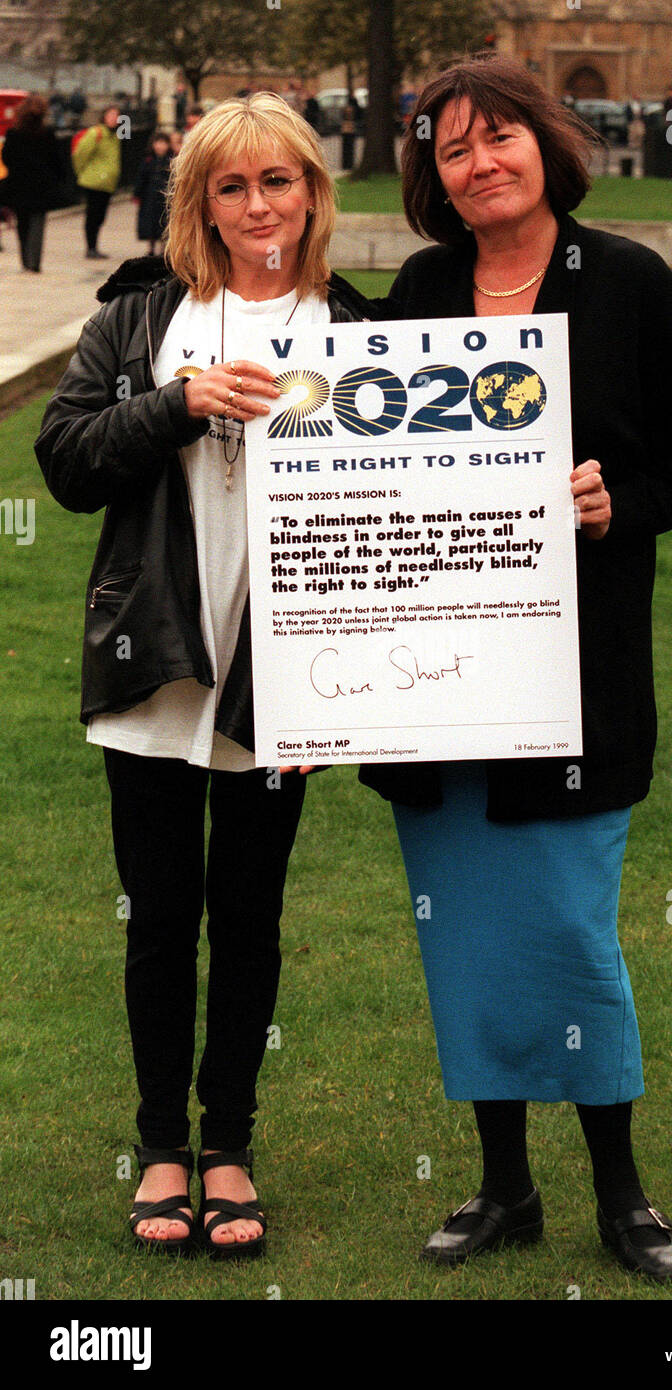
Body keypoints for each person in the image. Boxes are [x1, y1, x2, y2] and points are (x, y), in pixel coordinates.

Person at [359, 54, 672, 1282]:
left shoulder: (625, 281)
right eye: (451, 149)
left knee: (571, 934)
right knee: (465, 939)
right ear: (435, 177)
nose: (479, 163)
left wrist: (610, 503)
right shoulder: (417, 289)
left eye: (497, 138)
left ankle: (622, 1195)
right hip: (436, 675)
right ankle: (503, 1188)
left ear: (544, 143)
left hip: (573, 674)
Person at [35, 92, 376, 1259]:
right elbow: (67, 462)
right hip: (155, 665)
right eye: (230, 186)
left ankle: (228, 1143)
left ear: (310, 194)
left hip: (288, 673)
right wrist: (175, 405)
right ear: (200, 202)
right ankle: (160, 1151)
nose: (255, 204)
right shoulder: (140, 317)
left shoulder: (358, 325)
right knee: (158, 918)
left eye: (277, 181)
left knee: (251, 914)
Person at [1, 93, 64, 272]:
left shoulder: (14, 133)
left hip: (19, 184)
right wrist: (57, 179)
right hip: (42, 185)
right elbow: (56, 160)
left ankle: (25, 261)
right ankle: (34, 261)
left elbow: (7, 157)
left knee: (23, 224)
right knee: (38, 224)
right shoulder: (47, 133)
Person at [71, 103, 121, 259]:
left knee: (100, 215)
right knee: (93, 215)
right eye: (111, 115)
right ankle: (91, 247)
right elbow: (80, 154)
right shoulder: (96, 133)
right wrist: (82, 172)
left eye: (117, 115)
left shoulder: (116, 135)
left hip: (107, 183)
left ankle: (94, 246)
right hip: (93, 181)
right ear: (104, 116)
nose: (114, 118)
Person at [134, 129, 172, 254]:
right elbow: (141, 178)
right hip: (149, 197)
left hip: (164, 197)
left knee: (164, 222)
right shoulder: (148, 160)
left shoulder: (170, 161)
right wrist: (137, 194)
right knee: (150, 222)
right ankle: (151, 247)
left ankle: (163, 248)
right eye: (158, 143)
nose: (160, 146)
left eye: (163, 143)